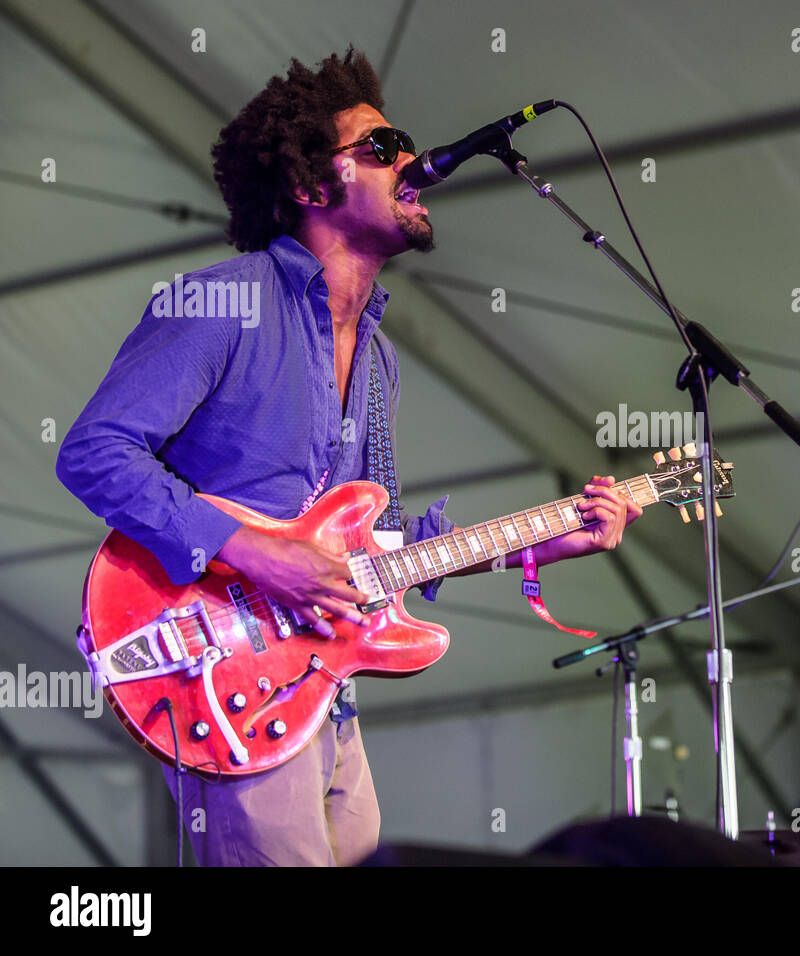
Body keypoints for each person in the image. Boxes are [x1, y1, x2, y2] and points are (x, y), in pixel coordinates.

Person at [56, 48, 640, 866]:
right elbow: (93, 453)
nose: (412, 159)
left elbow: (380, 550)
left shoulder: (378, 355)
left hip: (324, 693)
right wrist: (260, 554)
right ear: (308, 184)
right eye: (382, 145)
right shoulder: (224, 301)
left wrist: (538, 542)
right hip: (220, 667)